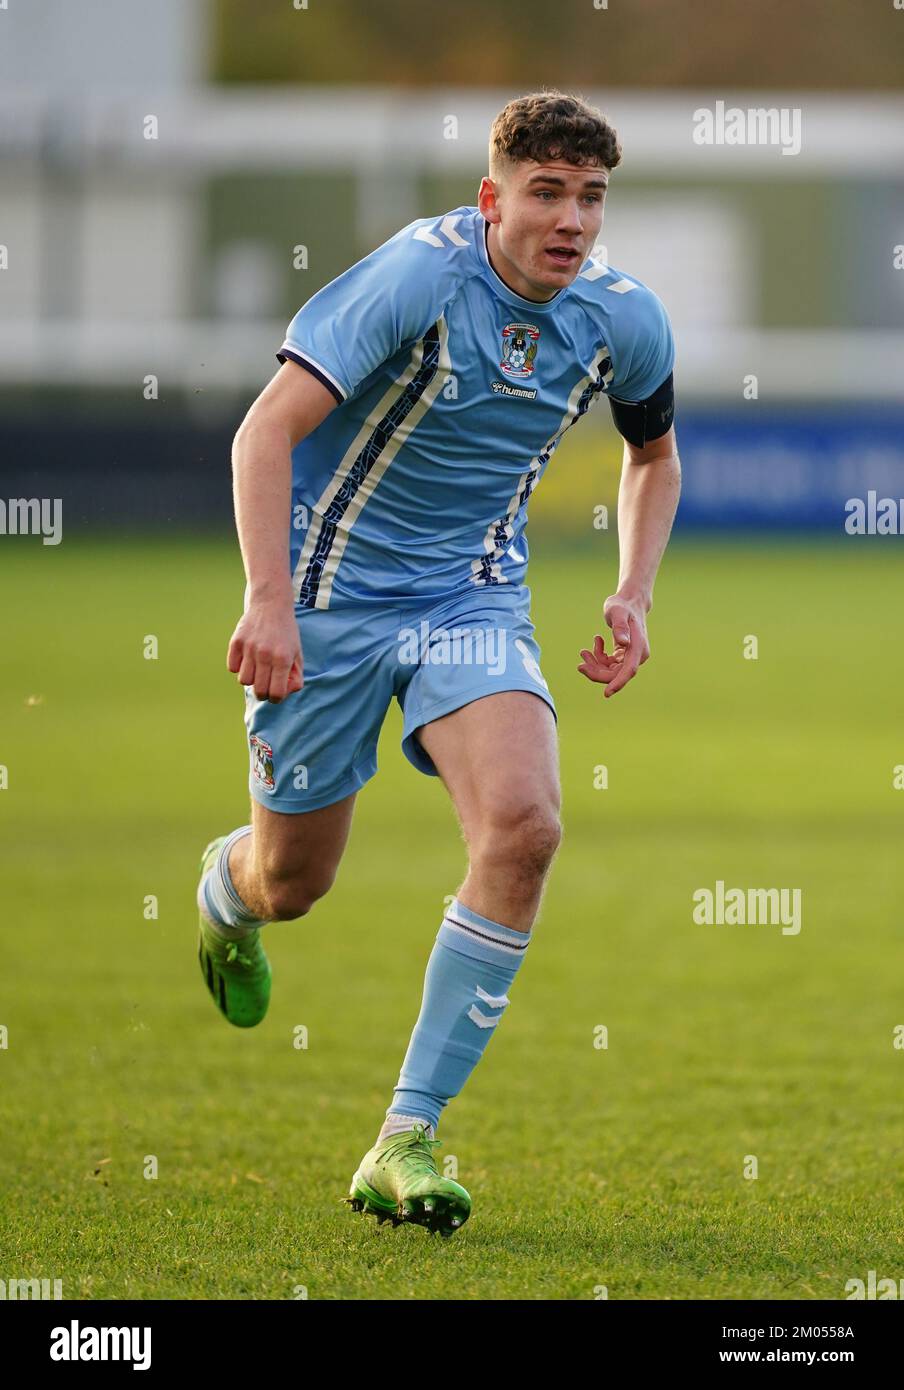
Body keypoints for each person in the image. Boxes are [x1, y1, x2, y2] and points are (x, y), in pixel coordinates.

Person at [196, 89, 681, 1238]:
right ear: (491, 199)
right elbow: (265, 429)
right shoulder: (417, 278)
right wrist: (267, 600)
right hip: (326, 601)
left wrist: (631, 588)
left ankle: (404, 1135)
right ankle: (229, 890)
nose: (571, 220)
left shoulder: (623, 318)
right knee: (295, 882)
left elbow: (653, 455)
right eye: (547, 193)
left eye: (592, 197)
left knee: (525, 827)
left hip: (471, 598)